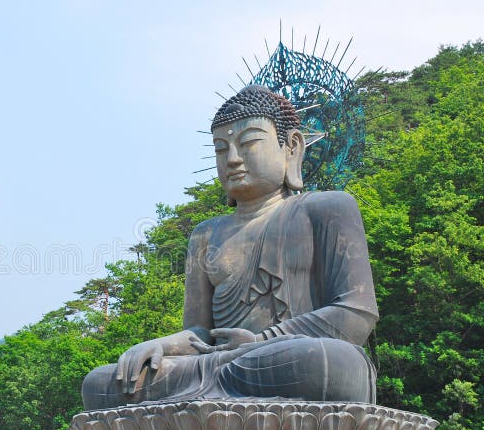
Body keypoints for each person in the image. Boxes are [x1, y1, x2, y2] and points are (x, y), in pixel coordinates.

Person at [82, 85, 379, 411]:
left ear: (291, 148)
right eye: (221, 149)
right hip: (216, 364)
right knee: (102, 383)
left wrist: (260, 341)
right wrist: (160, 346)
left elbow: (357, 312)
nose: (233, 159)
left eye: (249, 142)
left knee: (331, 363)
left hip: (286, 359)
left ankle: (206, 404)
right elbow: (200, 333)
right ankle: (211, 399)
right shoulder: (206, 234)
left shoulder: (328, 208)